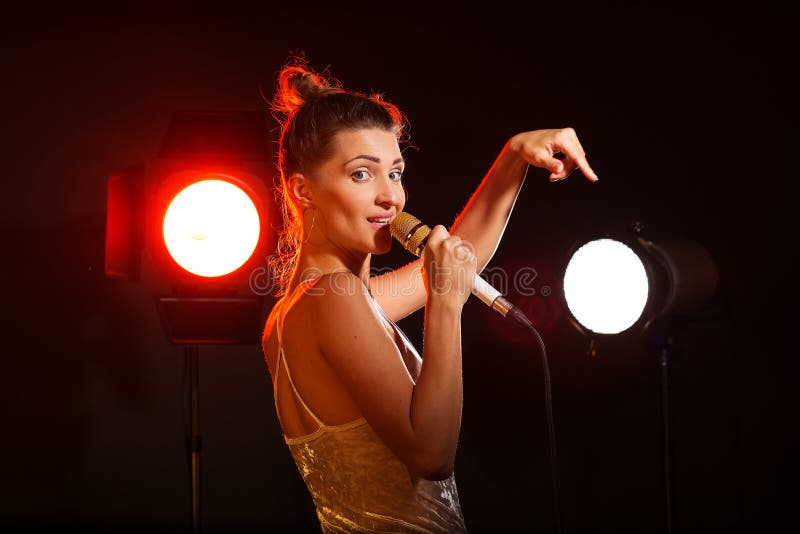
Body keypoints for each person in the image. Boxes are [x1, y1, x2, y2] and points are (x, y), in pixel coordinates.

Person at [261, 54, 598, 533]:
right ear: (303, 191)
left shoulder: (301, 308)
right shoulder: (334, 300)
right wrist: (445, 304)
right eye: (361, 174)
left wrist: (513, 156)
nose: (390, 197)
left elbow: (462, 257)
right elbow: (431, 454)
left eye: (394, 173)